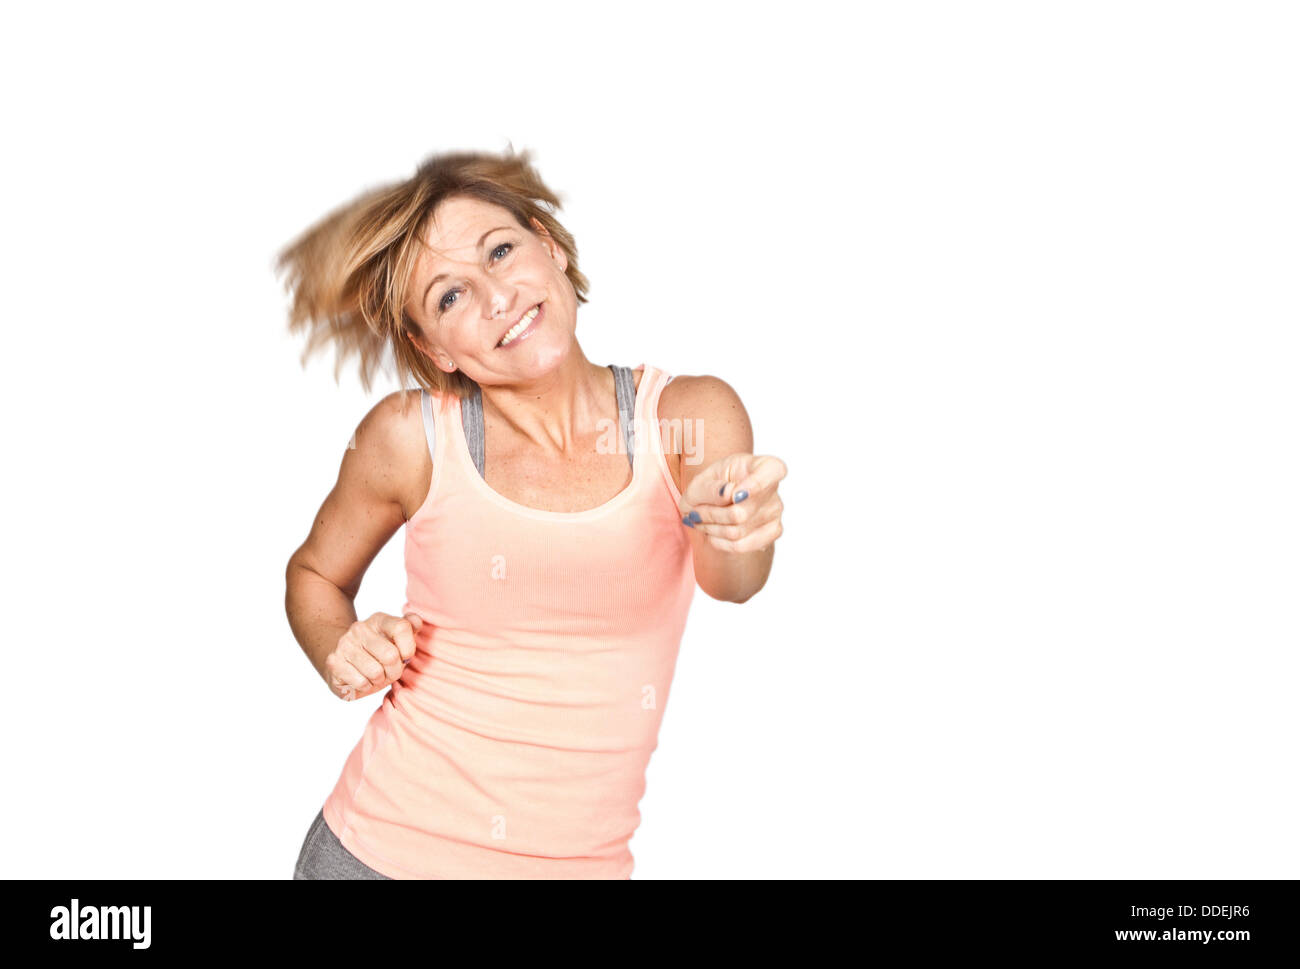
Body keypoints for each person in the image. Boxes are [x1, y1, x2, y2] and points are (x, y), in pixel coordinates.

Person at [279, 147, 787, 879]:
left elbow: (733, 579)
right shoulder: (409, 438)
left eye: (502, 250)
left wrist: (737, 521)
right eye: (450, 296)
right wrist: (339, 645)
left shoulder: (687, 417)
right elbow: (314, 574)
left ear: (548, 246)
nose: (496, 296)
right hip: (375, 854)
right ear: (433, 347)